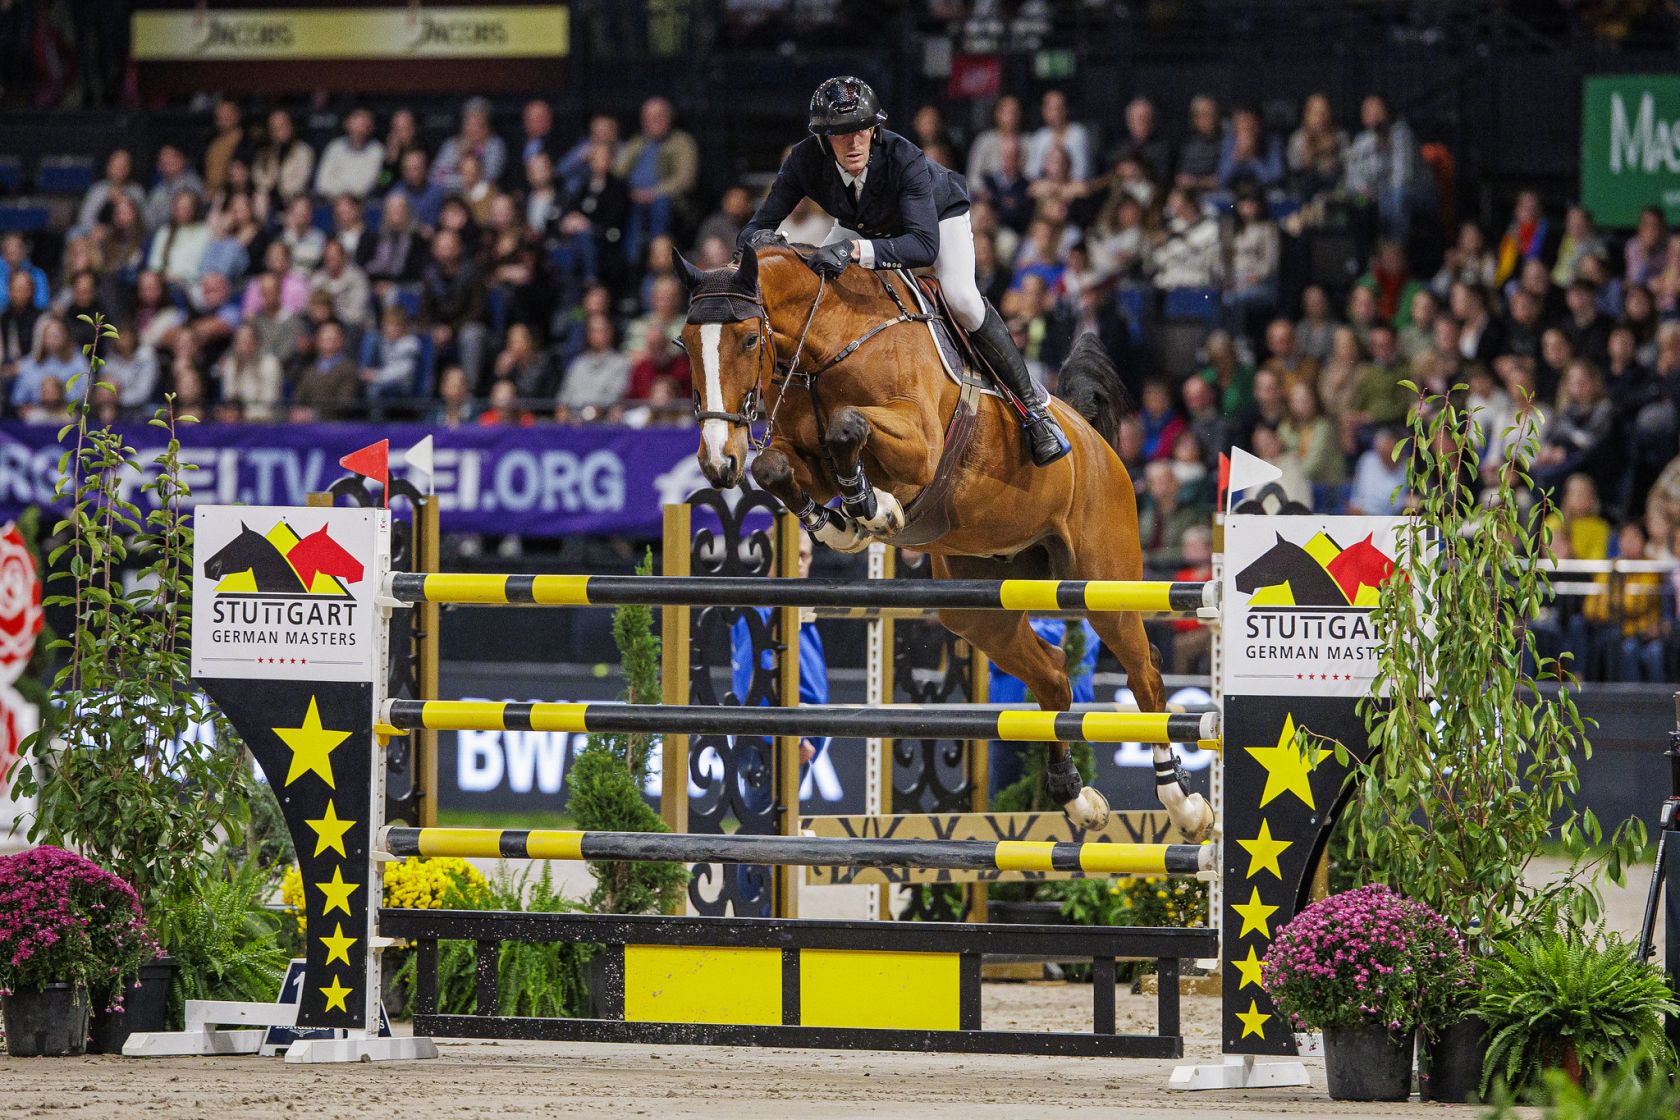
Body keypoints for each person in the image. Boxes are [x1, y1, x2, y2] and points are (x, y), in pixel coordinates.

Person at [738, 76, 1069, 466]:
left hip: (934, 218)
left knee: (961, 298)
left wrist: (854, 250)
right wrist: (756, 245)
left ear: (875, 129)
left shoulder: (904, 158)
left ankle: (1034, 413)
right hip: (863, 222)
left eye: (862, 129)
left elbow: (923, 246)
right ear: (824, 137)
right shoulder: (803, 160)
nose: (854, 142)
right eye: (841, 133)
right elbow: (757, 225)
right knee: (816, 287)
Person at [730, 530, 830, 764]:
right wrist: (793, 737)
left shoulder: (799, 608)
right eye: (790, 554)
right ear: (770, 556)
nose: (798, 562)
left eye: (803, 555)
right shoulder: (759, 608)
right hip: (772, 742)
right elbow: (755, 681)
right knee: (769, 801)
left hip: (794, 736)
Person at [314, 107, 385, 201]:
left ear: (371, 127)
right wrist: (343, 194)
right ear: (346, 124)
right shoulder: (334, 147)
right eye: (356, 122)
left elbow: (365, 188)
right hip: (330, 202)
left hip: (361, 204)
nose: (359, 128)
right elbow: (321, 185)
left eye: (364, 123)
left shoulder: (377, 150)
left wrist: (341, 191)